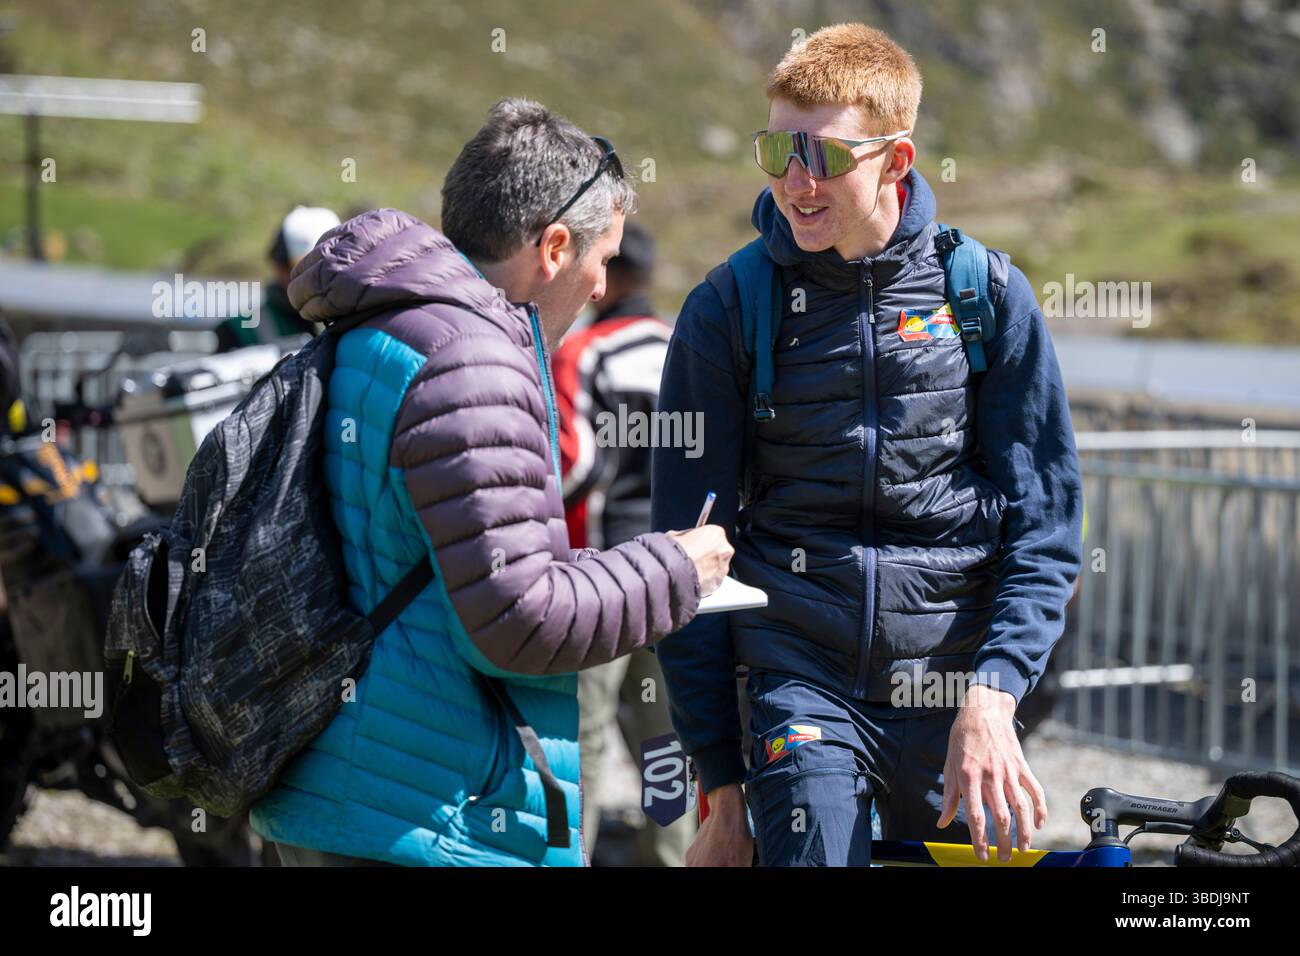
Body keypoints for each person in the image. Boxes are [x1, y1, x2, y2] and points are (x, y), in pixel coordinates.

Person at [246, 98, 733, 867]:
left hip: (339, 778)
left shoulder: (379, 324)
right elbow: (516, 620)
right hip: (424, 812)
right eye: (601, 261)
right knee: (656, 757)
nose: (601, 287)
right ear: (555, 247)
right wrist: (675, 569)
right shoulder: (477, 366)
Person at [652, 24, 1084, 867]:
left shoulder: (987, 295)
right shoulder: (728, 307)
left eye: (824, 155)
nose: (796, 181)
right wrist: (721, 784)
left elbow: (1046, 529)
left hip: (955, 686)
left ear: (897, 159)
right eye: (778, 150)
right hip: (797, 678)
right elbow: (686, 552)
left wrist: (995, 695)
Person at [551, 222, 696, 865]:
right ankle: (671, 856)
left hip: (599, 575)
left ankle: (572, 856)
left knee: (581, 740)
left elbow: (573, 465)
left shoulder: (582, 351)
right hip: (675, 573)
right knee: (665, 741)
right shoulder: (682, 346)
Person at [214, 205, 341, 353]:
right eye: (301, 269)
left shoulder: (354, 321)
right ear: (278, 268)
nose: (314, 280)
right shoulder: (237, 332)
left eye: (324, 268)